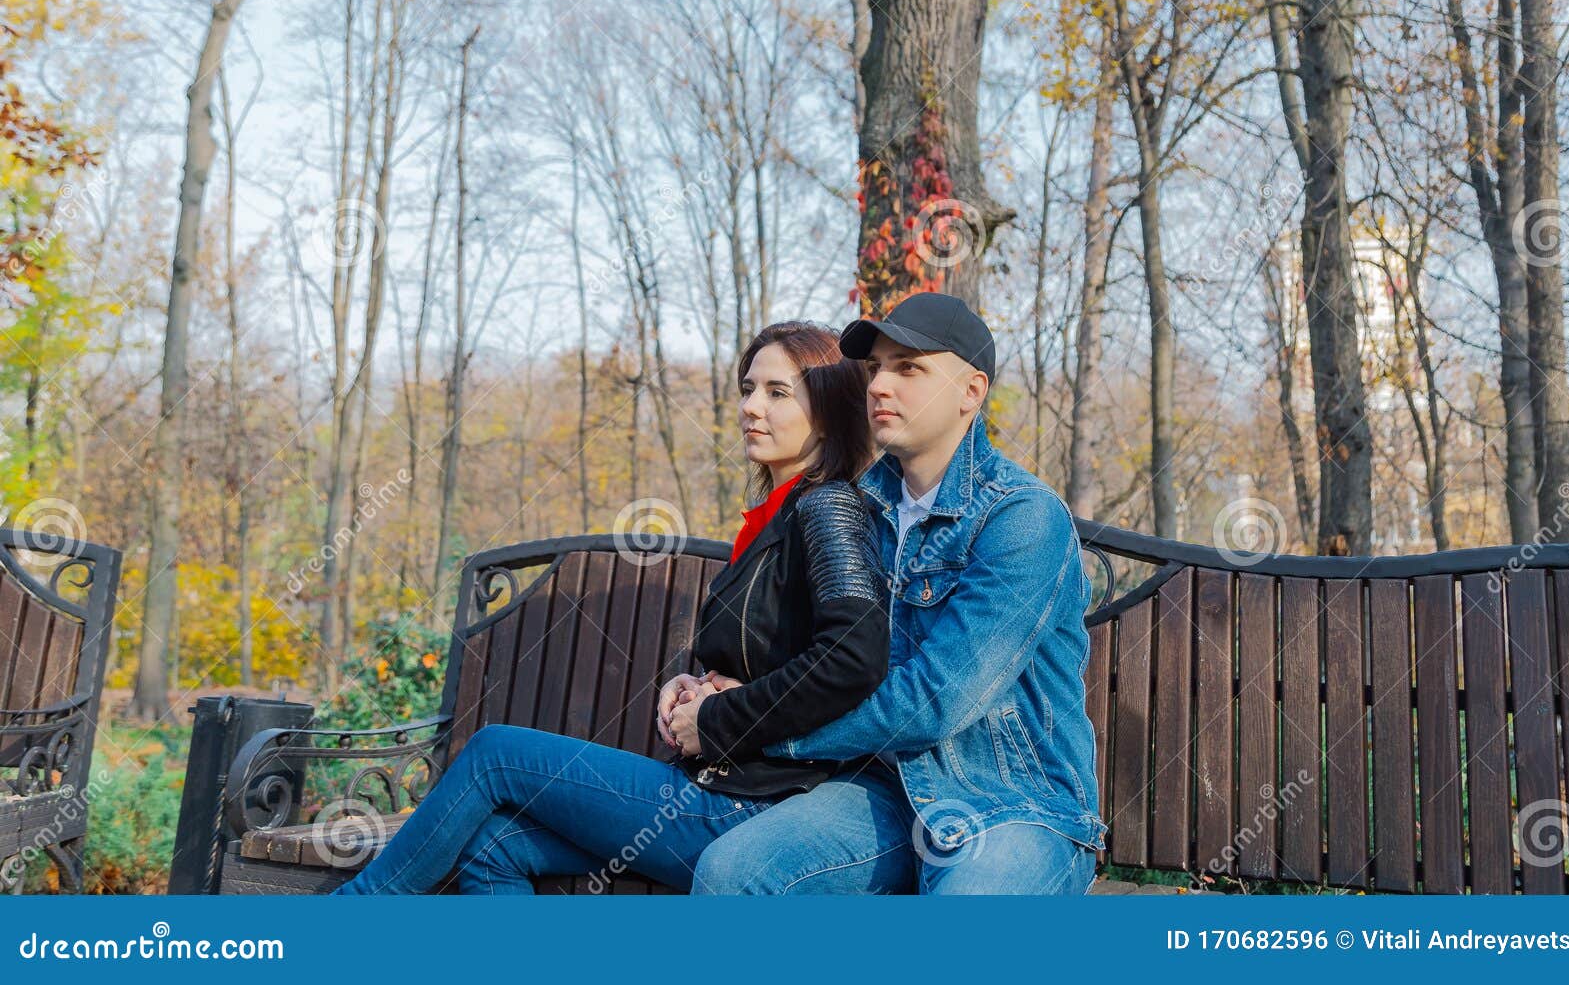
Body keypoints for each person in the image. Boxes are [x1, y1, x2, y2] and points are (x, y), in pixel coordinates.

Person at [332, 321, 887, 894]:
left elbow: (851, 657)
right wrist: (696, 685)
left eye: (777, 393)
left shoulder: (829, 509)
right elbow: (777, 649)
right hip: (711, 790)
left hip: (749, 811)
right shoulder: (774, 516)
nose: (752, 407)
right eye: (748, 388)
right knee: (493, 845)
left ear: (827, 409)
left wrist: (719, 716)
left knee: (494, 753)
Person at [691, 292, 1106, 895]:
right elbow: (820, 655)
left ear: (971, 392)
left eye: (909, 368)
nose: (880, 385)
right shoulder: (856, 505)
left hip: (1012, 802)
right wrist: (707, 686)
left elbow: (934, 701)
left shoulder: (1022, 520)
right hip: (884, 791)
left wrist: (751, 727)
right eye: (876, 368)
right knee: (732, 876)